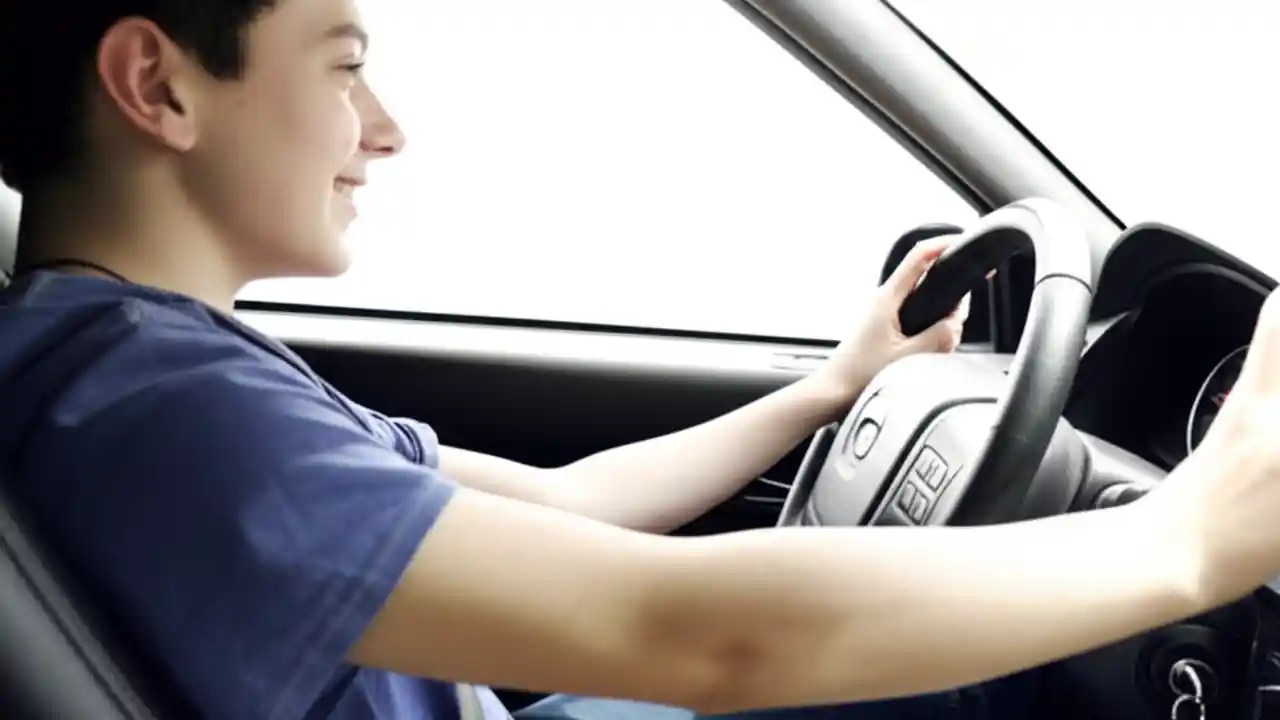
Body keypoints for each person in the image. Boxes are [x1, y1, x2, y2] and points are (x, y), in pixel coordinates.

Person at [3, 1, 1280, 719]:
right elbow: (684, 633)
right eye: (344, 71)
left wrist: (828, 391)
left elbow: (567, 507)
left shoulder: (136, 370)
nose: (385, 131)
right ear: (156, 86)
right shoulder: (161, 416)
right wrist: (1181, 544)